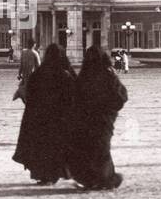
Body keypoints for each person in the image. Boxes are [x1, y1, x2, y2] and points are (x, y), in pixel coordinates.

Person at [65, 45, 128, 190]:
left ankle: (89, 179)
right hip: (103, 120)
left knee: (87, 150)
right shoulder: (108, 75)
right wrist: (110, 111)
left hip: (86, 120)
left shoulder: (84, 75)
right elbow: (121, 96)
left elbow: (75, 98)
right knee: (102, 150)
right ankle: (106, 178)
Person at [12, 43, 76, 184]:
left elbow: (31, 95)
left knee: (43, 148)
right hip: (59, 119)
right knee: (57, 147)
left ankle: (45, 176)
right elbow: (74, 95)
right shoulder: (66, 74)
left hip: (41, 120)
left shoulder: (39, 73)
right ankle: (58, 172)